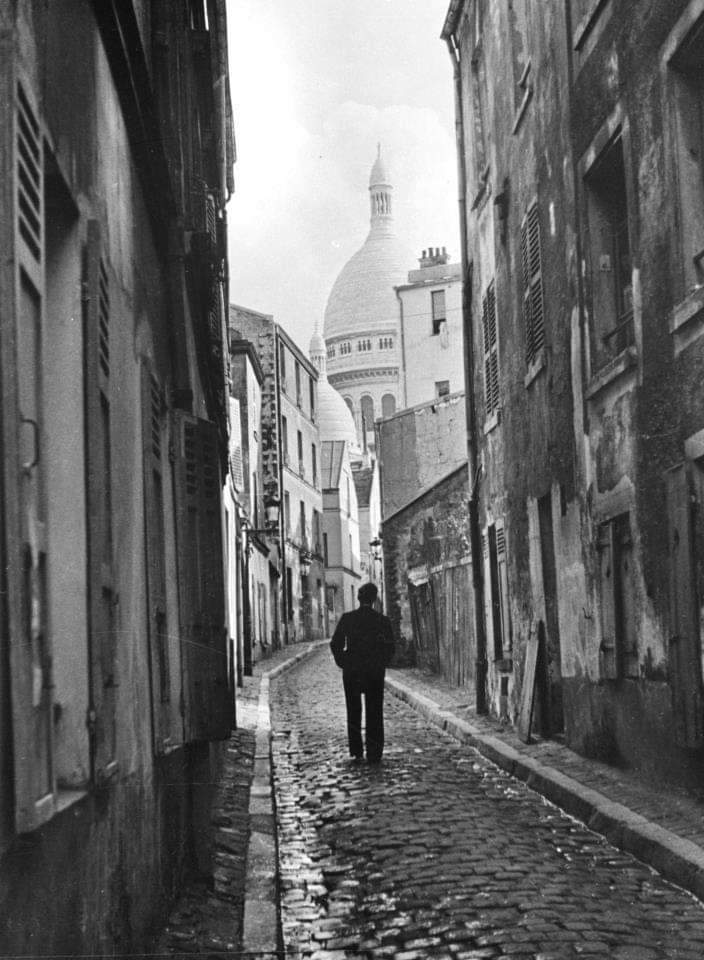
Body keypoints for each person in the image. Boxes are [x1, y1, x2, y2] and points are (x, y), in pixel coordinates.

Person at [330, 582, 395, 764]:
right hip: (374, 671)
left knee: (354, 710)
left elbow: (335, 644)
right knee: (375, 711)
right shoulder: (382, 621)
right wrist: (381, 663)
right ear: (374, 599)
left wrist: (344, 662)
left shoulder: (348, 619)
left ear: (359, 598)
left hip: (353, 671)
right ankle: (374, 751)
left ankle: (356, 750)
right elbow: (391, 648)